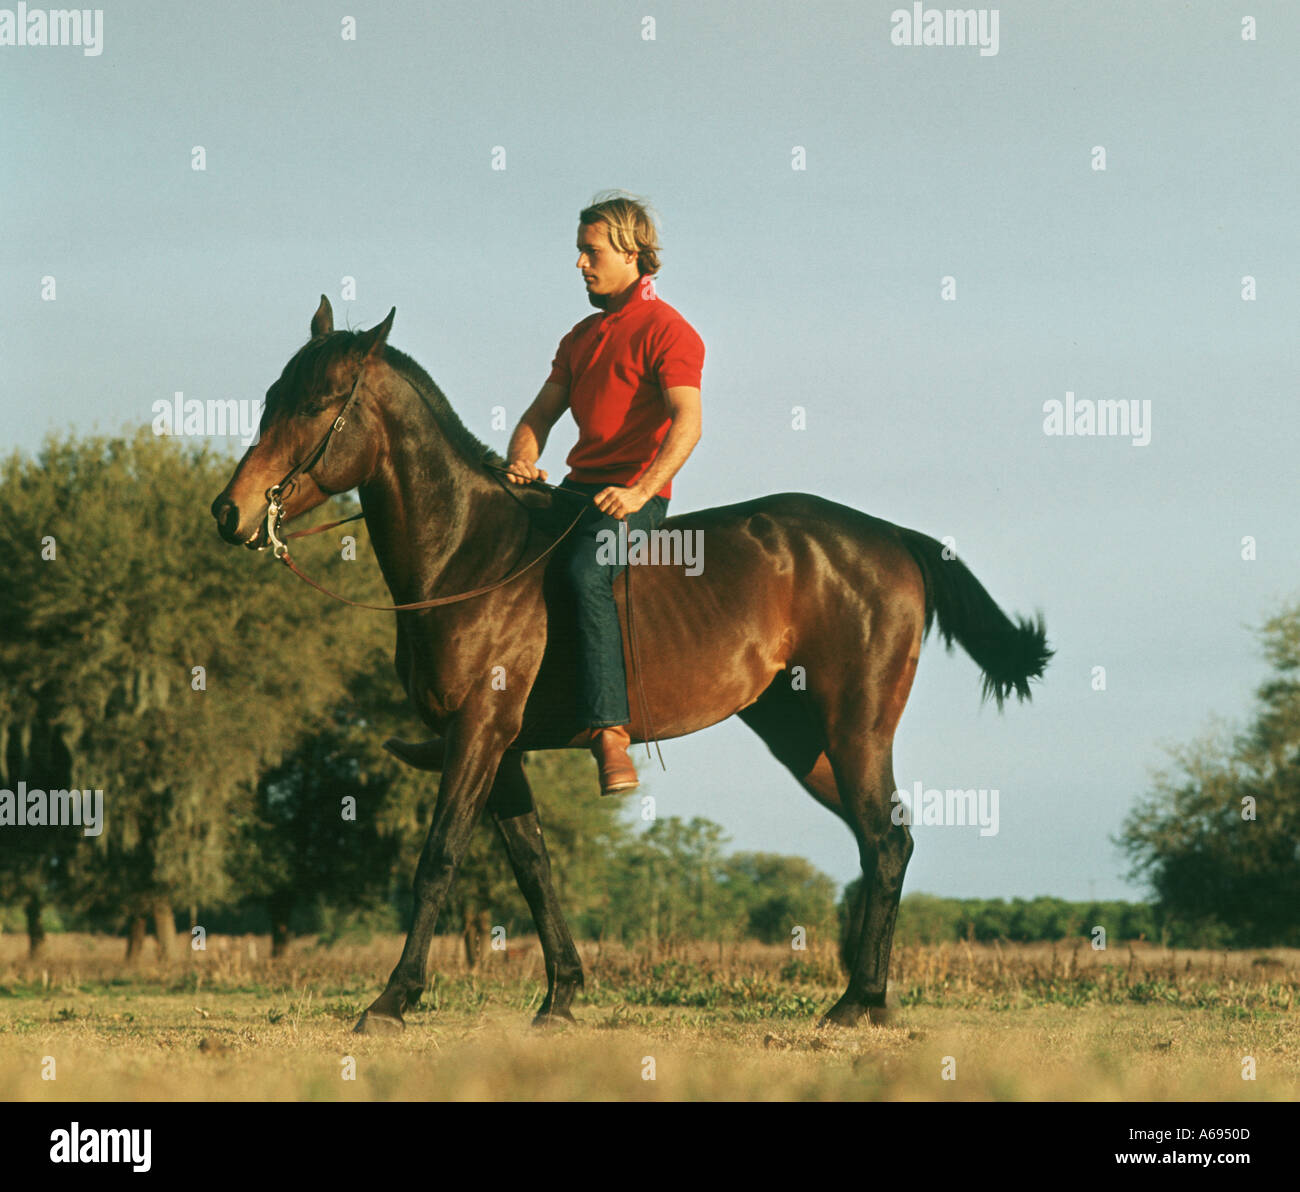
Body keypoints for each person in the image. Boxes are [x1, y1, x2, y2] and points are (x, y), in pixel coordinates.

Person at [504, 192, 704, 796]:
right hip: (574, 492)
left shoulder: (671, 332)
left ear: (631, 253)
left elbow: (688, 423)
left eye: (591, 253)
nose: (581, 264)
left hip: (635, 502)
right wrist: (521, 458)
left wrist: (641, 489)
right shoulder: (581, 336)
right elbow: (539, 415)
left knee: (584, 574)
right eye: (579, 253)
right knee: (493, 554)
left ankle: (610, 733)